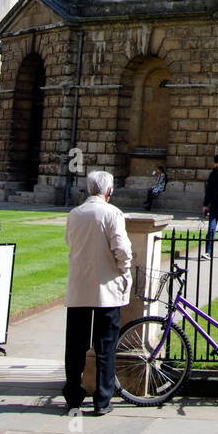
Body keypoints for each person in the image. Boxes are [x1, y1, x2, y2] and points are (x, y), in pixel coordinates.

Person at [62, 170, 132, 416]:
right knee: (105, 346)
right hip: (106, 290)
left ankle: (73, 397)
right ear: (109, 191)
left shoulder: (74, 214)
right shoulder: (113, 213)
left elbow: (69, 242)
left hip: (79, 288)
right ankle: (102, 400)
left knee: (75, 346)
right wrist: (124, 270)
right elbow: (122, 249)